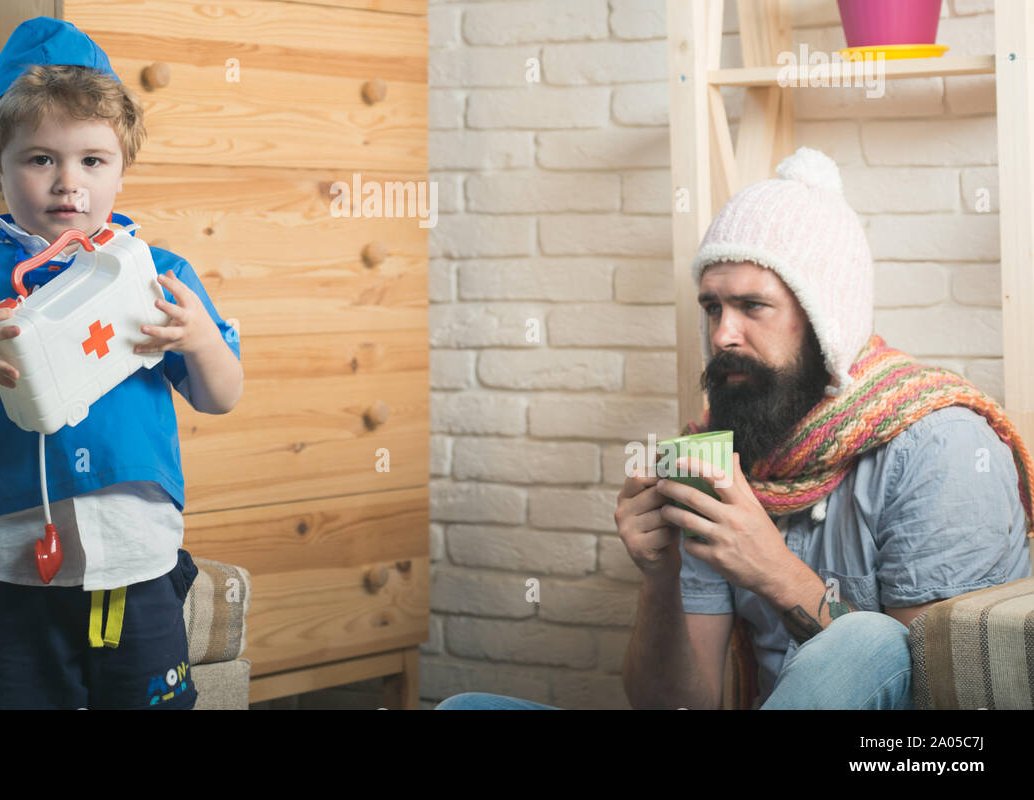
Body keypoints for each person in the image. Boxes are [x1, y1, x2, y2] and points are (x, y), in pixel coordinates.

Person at [437, 147, 1032, 710]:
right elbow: (675, 703)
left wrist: (774, 572)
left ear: (826, 321)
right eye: (712, 307)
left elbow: (945, 696)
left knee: (867, 644)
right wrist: (660, 576)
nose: (723, 333)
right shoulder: (718, 456)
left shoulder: (941, 443)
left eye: (753, 307)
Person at [0, 17, 243, 709]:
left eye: (92, 161)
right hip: (11, 570)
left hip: (137, 562)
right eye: (40, 159)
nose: (68, 184)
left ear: (123, 167)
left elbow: (222, 395)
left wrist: (199, 340)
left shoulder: (158, 276)